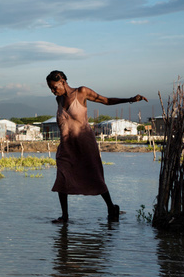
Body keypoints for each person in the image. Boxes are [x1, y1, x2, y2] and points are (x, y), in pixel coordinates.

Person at [46, 70, 147, 223]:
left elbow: (105, 100)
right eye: (51, 89)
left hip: (84, 143)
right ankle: (65, 216)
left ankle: (111, 207)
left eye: (55, 87)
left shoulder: (82, 92)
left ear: (63, 81)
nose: (53, 92)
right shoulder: (59, 100)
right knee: (62, 177)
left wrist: (130, 99)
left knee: (95, 176)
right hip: (66, 145)